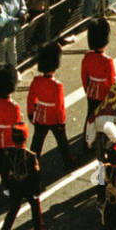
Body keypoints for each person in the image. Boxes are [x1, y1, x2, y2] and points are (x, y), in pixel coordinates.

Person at [0, 125, 45, 230]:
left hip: (15, 185)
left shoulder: (8, 151)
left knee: (11, 213)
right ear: (25, 138)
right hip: (27, 185)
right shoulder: (30, 155)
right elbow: (35, 175)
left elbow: (4, 171)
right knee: (35, 205)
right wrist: (37, 190)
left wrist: (6, 186)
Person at [27, 43, 75, 178]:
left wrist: (31, 114)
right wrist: (61, 121)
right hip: (54, 118)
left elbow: (31, 99)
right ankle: (69, 163)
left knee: (36, 144)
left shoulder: (36, 81)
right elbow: (59, 107)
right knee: (63, 143)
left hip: (40, 116)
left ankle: (30, 166)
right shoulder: (57, 86)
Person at [0, 64, 27, 205]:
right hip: (9, 141)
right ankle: (9, 189)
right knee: (10, 166)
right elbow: (17, 127)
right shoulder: (14, 106)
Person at [80, 17, 115, 138]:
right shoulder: (107, 61)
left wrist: (87, 88)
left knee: (90, 115)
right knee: (105, 116)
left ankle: (87, 138)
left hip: (91, 90)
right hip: (104, 92)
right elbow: (111, 81)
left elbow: (84, 76)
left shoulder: (87, 56)